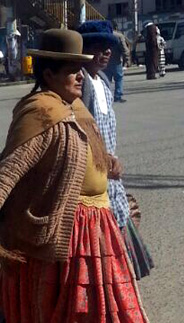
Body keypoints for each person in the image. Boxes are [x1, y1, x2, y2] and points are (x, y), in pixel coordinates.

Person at [0, 29, 160, 323]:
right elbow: (9, 169)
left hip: (98, 220)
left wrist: (110, 165)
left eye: (80, 69)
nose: (79, 76)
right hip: (69, 223)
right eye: (71, 69)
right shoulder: (40, 112)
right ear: (49, 74)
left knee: (50, 296)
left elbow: (93, 154)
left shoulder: (77, 107)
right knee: (96, 303)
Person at [78, 21, 154, 279]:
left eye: (108, 47)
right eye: (98, 47)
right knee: (99, 229)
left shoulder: (104, 81)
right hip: (93, 170)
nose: (106, 53)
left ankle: (119, 278)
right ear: (83, 50)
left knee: (119, 217)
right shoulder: (82, 83)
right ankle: (106, 281)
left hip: (110, 168)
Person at [105, 21, 130, 103]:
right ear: (115, 27)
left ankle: (106, 96)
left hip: (105, 61)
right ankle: (117, 96)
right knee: (118, 78)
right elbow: (124, 49)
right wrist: (127, 60)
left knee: (106, 80)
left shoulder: (104, 35)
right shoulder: (119, 36)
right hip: (116, 61)